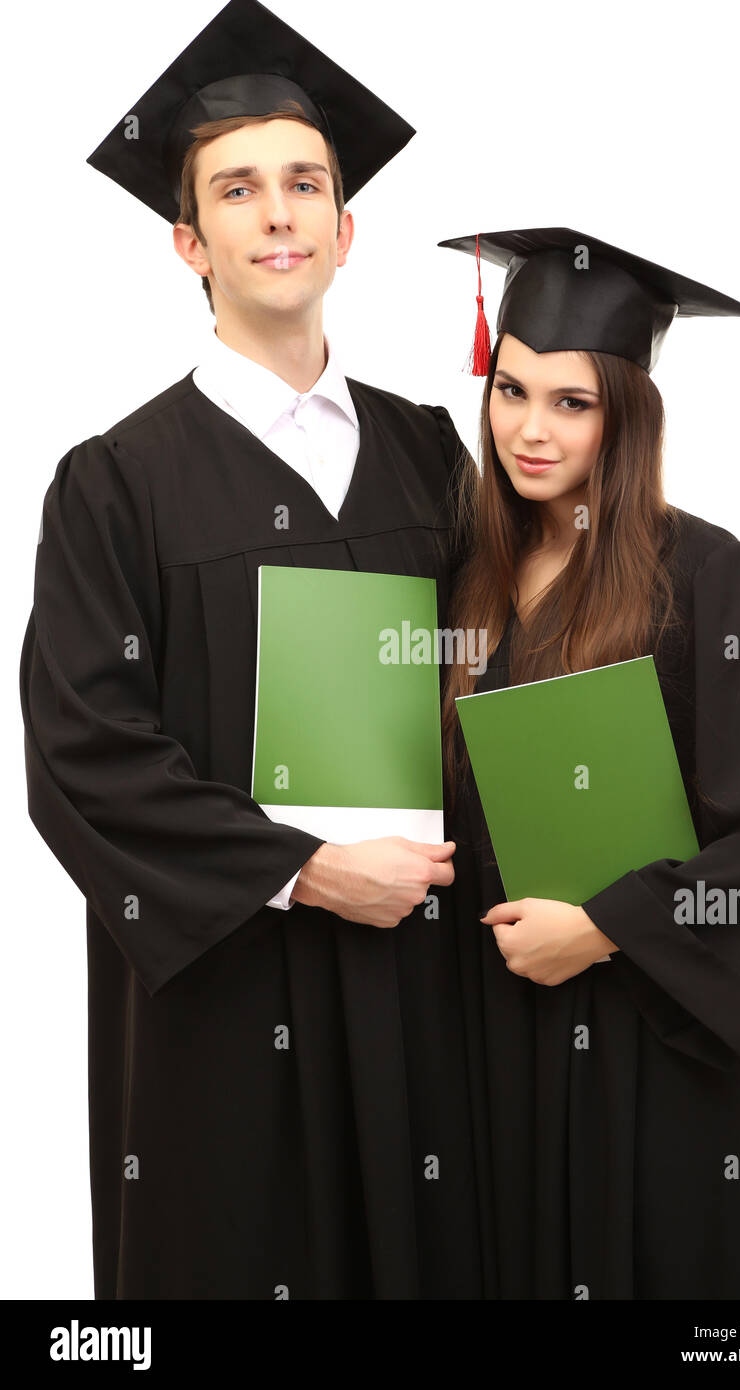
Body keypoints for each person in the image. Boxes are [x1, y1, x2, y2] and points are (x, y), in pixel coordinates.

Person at [19, 0, 483, 1300]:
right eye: (236, 189)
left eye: (304, 183)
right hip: (227, 997)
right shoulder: (117, 482)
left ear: (345, 226)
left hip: (420, 973)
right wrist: (304, 870)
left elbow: (495, 681)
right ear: (189, 241)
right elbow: (84, 757)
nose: (277, 214)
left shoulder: (428, 452)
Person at [439, 226, 740, 1299]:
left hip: (657, 1053)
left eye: (571, 402)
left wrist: (605, 926)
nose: (530, 430)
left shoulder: (718, 584)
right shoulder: (464, 585)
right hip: (502, 1044)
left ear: (626, 415)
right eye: (510, 390)